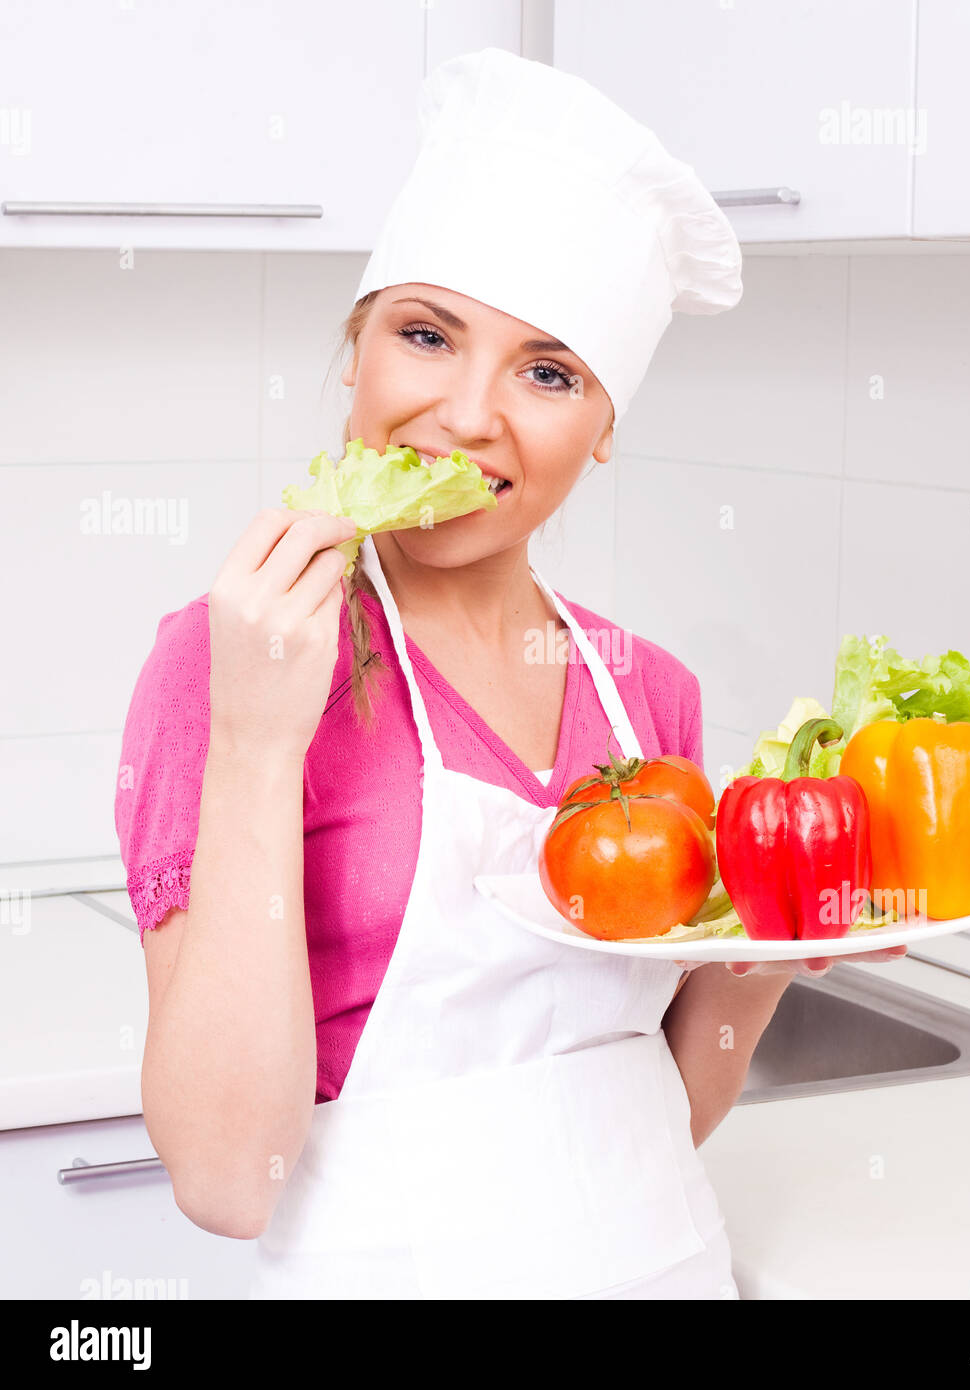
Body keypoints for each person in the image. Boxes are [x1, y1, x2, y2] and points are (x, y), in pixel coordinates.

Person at [116, 47, 905, 1302]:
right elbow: (224, 1176)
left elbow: (647, 1107)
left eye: (548, 372)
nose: (469, 416)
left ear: (601, 433)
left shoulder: (648, 690)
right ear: (354, 358)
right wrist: (259, 742)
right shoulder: (231, 661)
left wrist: (759, 960)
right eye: (426, 335)